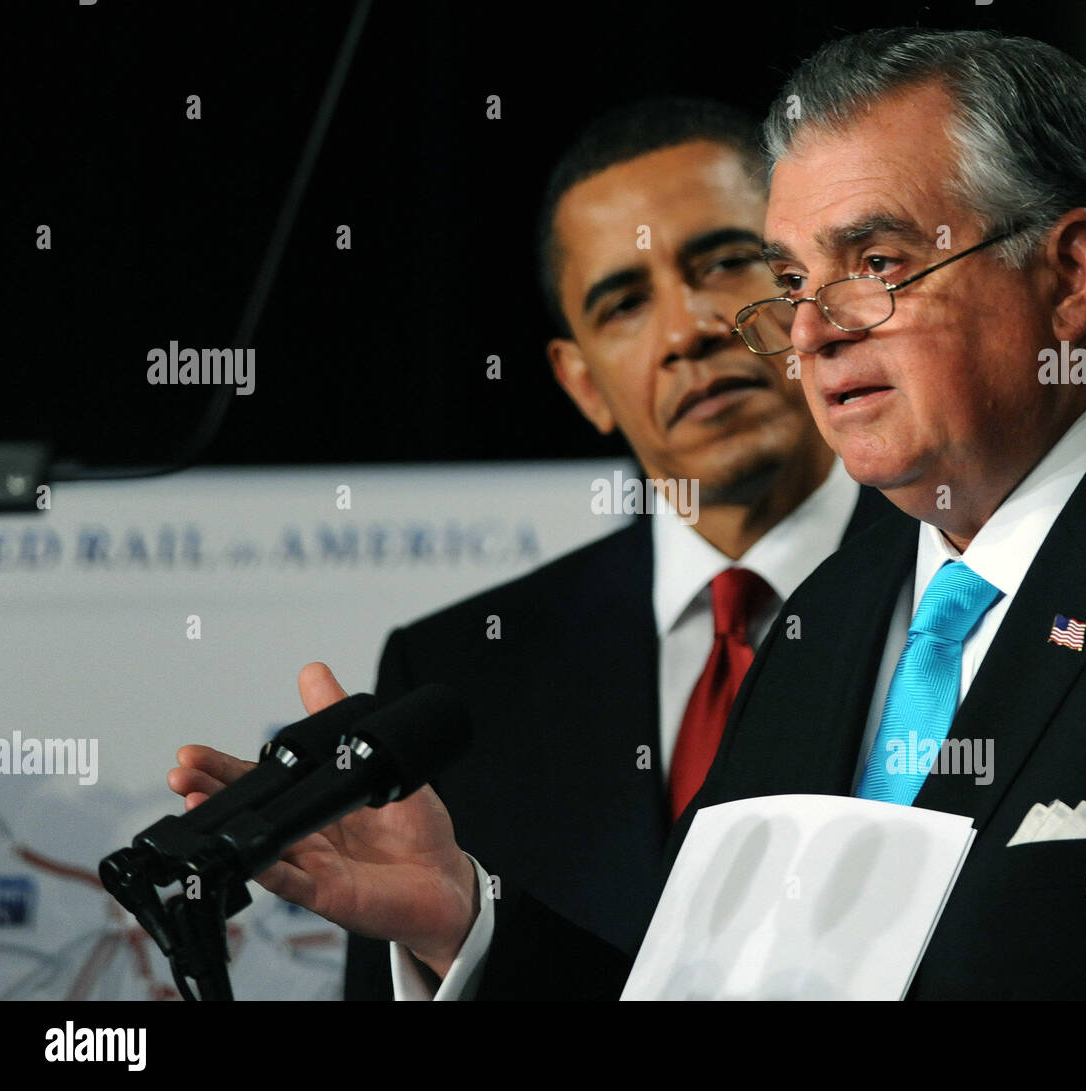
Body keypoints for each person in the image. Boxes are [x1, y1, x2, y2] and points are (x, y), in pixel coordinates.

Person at [170, 97, 885, 1000]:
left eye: (729, 262)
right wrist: (459, 936)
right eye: (625, 303)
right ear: (582, 381)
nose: (688, 330)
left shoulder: (964, 583)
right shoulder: (455, 678)